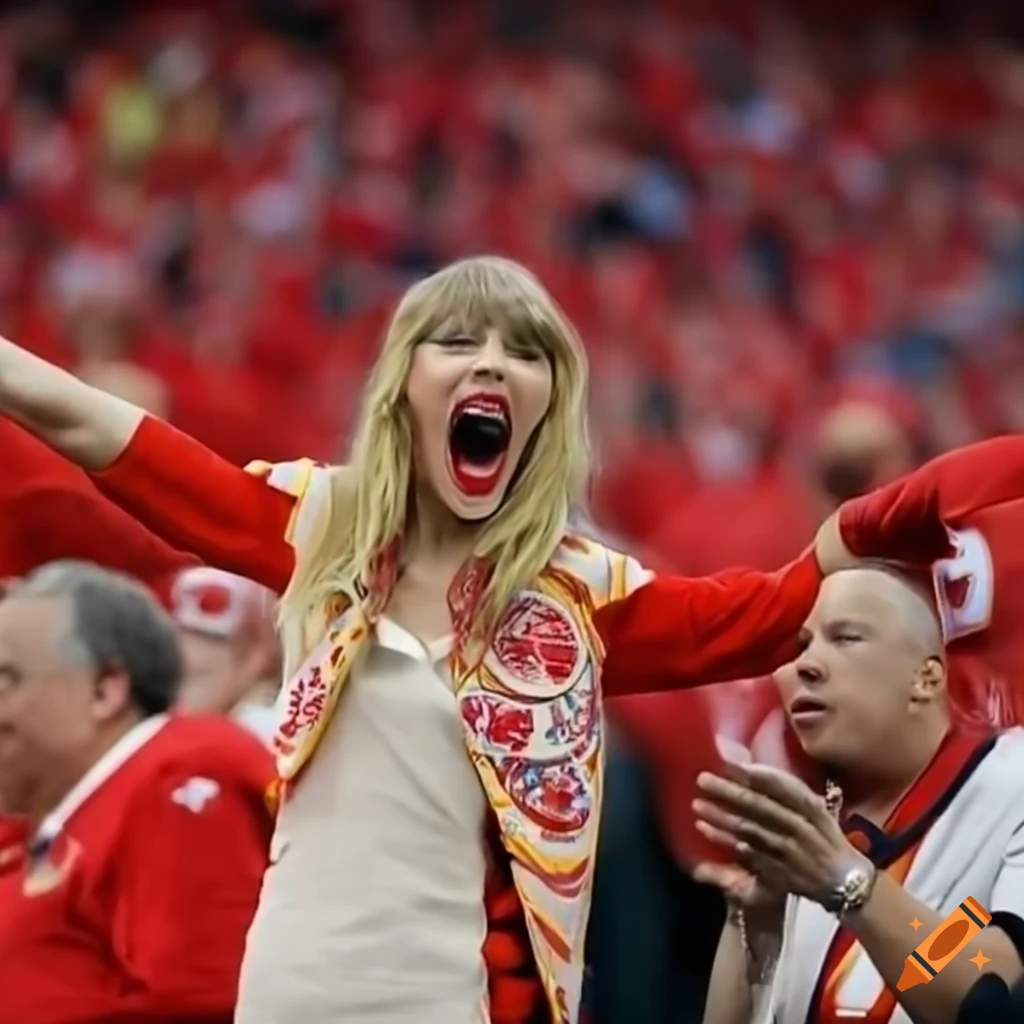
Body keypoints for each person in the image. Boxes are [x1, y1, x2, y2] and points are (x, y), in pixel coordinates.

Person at [0, 255, 953, 1024]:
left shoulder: (587, 596)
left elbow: (774, 610)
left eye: (526, 350)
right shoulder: (317, 525)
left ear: (550, 398)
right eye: (457, 341)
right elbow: (107, 437)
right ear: (403, 383)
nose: (493, 363)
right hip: (294, 989)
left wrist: (910, 508)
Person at [695, 566, 1024, 1024]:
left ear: (926, 678)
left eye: (845, 638)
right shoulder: (815, 832)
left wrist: (852, 885)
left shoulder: (1011, 783)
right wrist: (752, 925)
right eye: (801, 645)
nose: (802, 665)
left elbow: (984, 1002)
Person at [0, 560, 275, 1024]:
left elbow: (202, 1001)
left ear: (105, 689)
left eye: (4, 679)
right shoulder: (64, 814)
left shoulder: (181, 768)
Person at [171, 565, 278, 743]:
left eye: (213, 639)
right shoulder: (160, 735)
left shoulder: (278, 737)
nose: (192, 654)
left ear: (258, 656)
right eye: (186, 633)